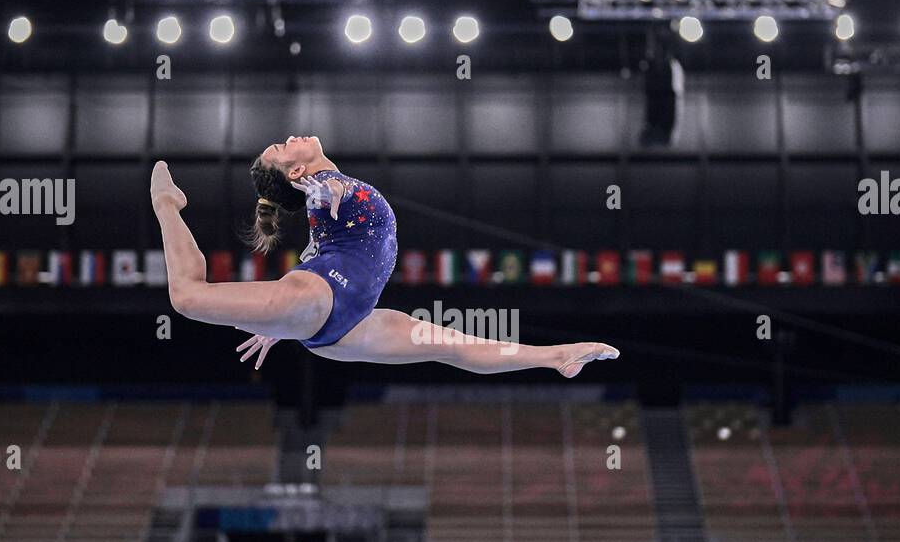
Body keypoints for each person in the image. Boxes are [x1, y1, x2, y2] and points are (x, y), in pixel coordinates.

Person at [149, 136, 618, 377]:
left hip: (341, 323)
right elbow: (324, 193)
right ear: (295, 169)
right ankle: (166, 204)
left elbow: (317, 249)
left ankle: (555, 356)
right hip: (333, 310)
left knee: (454, 347)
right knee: (186, 297)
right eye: (282, 146)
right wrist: (326, 192)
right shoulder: (320, 189)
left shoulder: (326, 202)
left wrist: (281, 324)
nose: (290, 136)